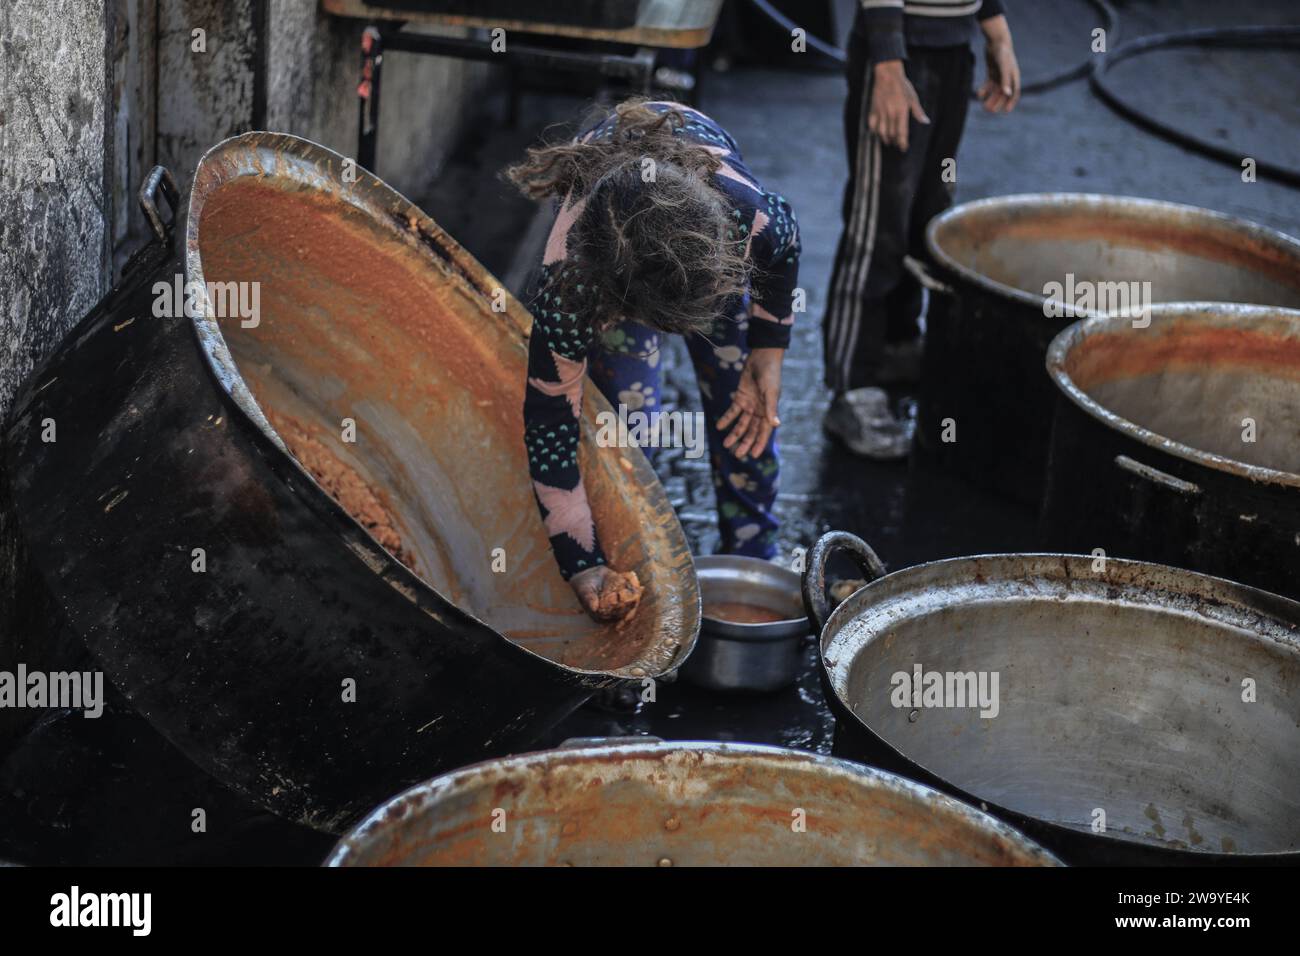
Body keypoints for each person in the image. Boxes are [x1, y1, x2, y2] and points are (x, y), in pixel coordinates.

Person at [508, 99, 801, 622]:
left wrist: (768, 353)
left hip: (700, 251)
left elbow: (786, 244)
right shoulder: (569, 286)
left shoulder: (749, 217)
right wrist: (582, 564)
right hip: (614, 267)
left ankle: (754, 554)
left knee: (750, 413)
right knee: (627, 434)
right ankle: (632, 564)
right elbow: (550, 423)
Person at [823, 0, 1020, 458]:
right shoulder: (891, 60)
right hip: (900, 53)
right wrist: (888, 65)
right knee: (879, 224)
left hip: (953, 47)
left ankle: (895, 344)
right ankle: (851, 384)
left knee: (927, 214)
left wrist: (995, 29)